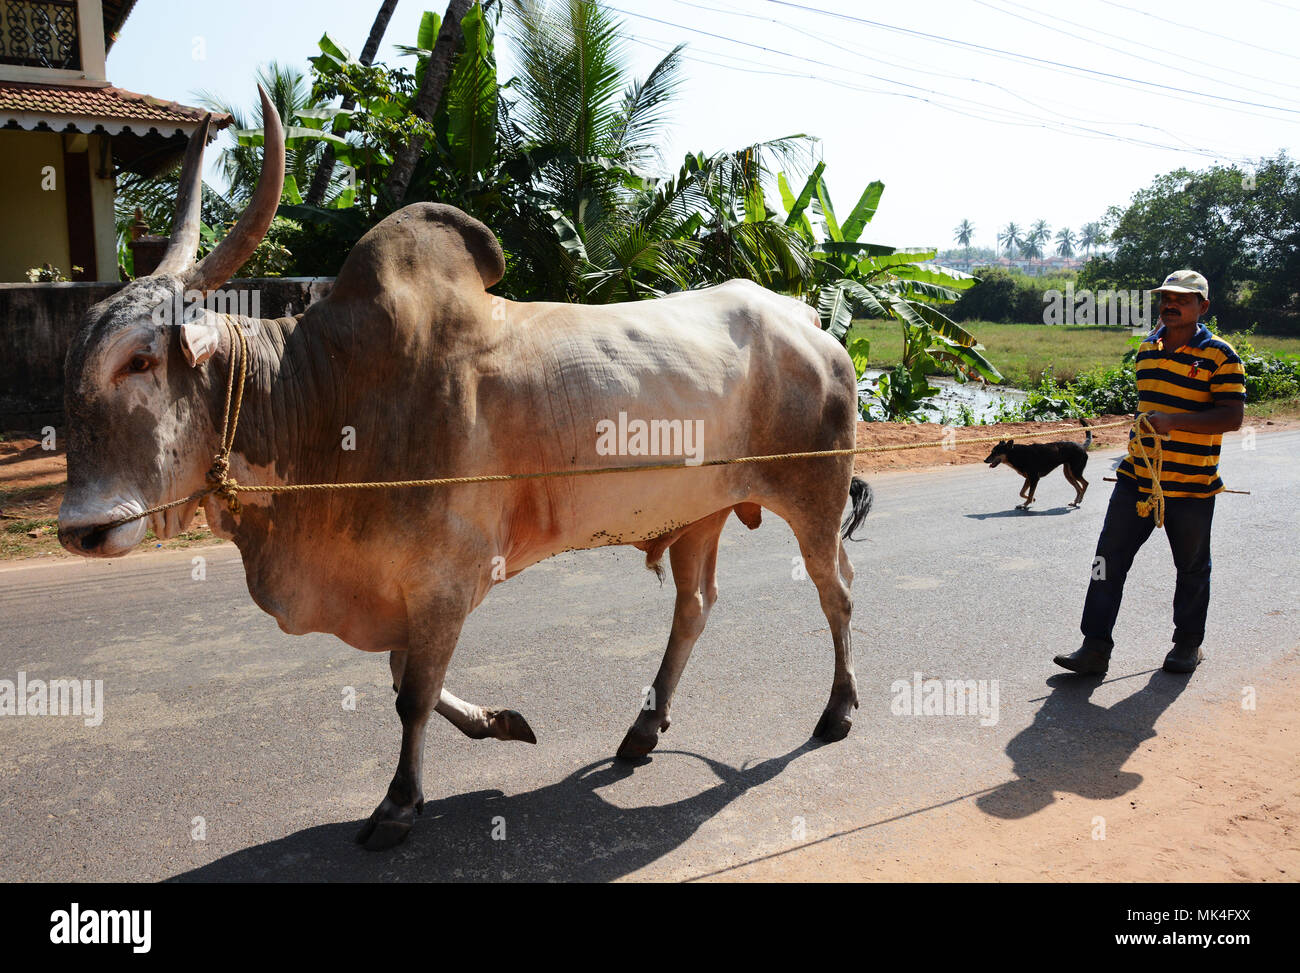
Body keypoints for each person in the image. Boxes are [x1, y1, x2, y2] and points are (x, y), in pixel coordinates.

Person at [1054, 270, 1246, 676]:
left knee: (1192, 566)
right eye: (1165, 298)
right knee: (1107, 559)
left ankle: (1188, 644)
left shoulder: (1221, 356)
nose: (1171, 304)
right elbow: (1147, 407)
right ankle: (1094, 648)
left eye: (1183, 299)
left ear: (1203, 307)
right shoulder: (1147, 349)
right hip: (1137, 477)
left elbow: (1232, 417)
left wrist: (1173, 422)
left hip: (1192, 483)